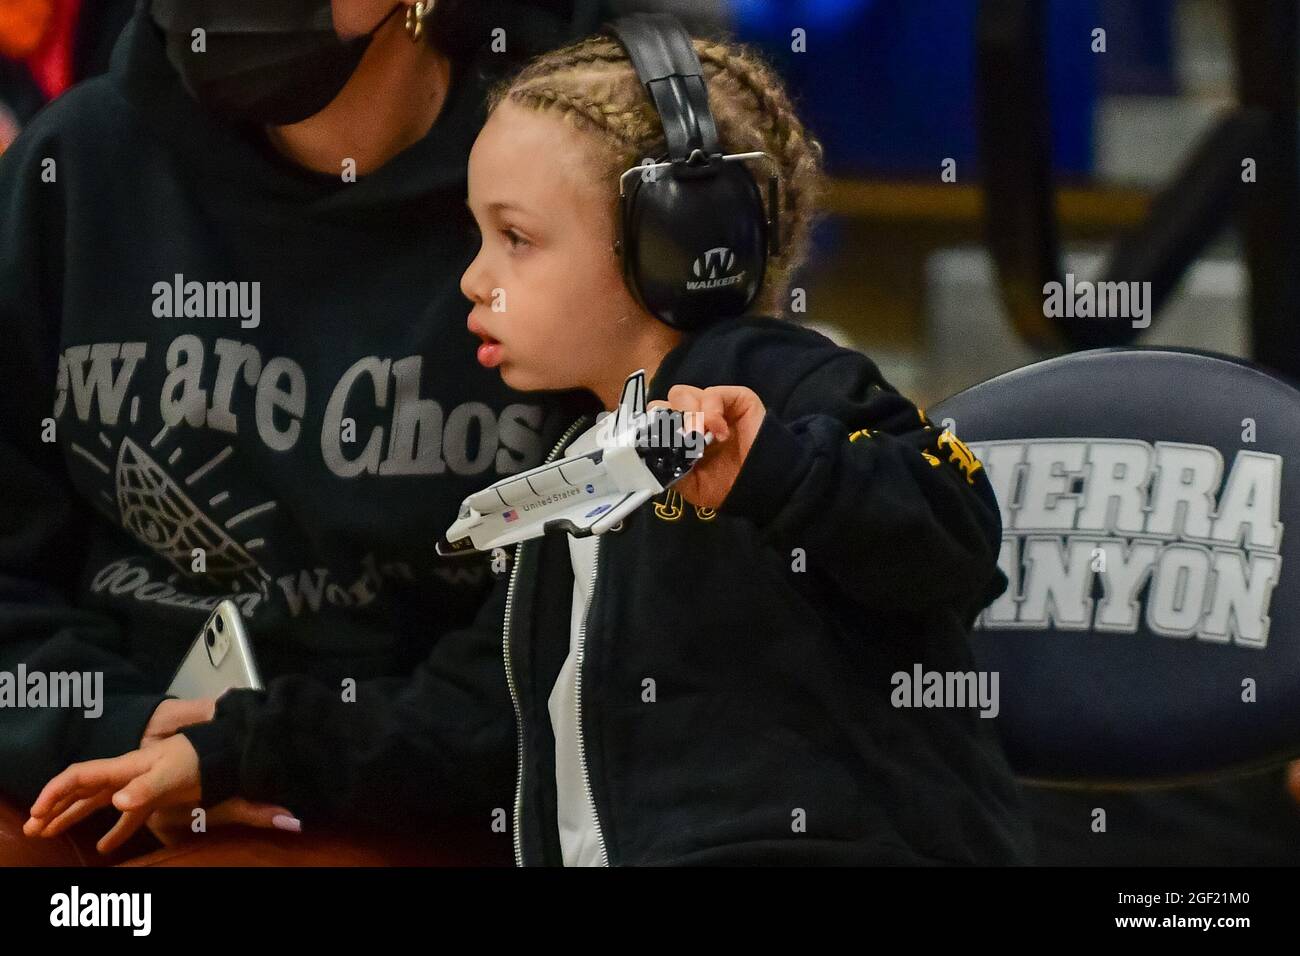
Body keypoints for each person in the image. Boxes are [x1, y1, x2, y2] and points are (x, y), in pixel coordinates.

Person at [27, 18, 1034, 865]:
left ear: (674, 246)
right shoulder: (568, 476)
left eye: (515, 238)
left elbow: (955, 531)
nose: (472, 278)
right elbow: (469, 718)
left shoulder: (778, 382)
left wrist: (780, 471)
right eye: (473, 236)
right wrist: (242, 745)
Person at [0, 0, 615, 860]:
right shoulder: (77, 162)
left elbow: (563, 650)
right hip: (98, 762)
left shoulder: (563, 198)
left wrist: (254, 756)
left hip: (398, 788)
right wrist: (120, 733)